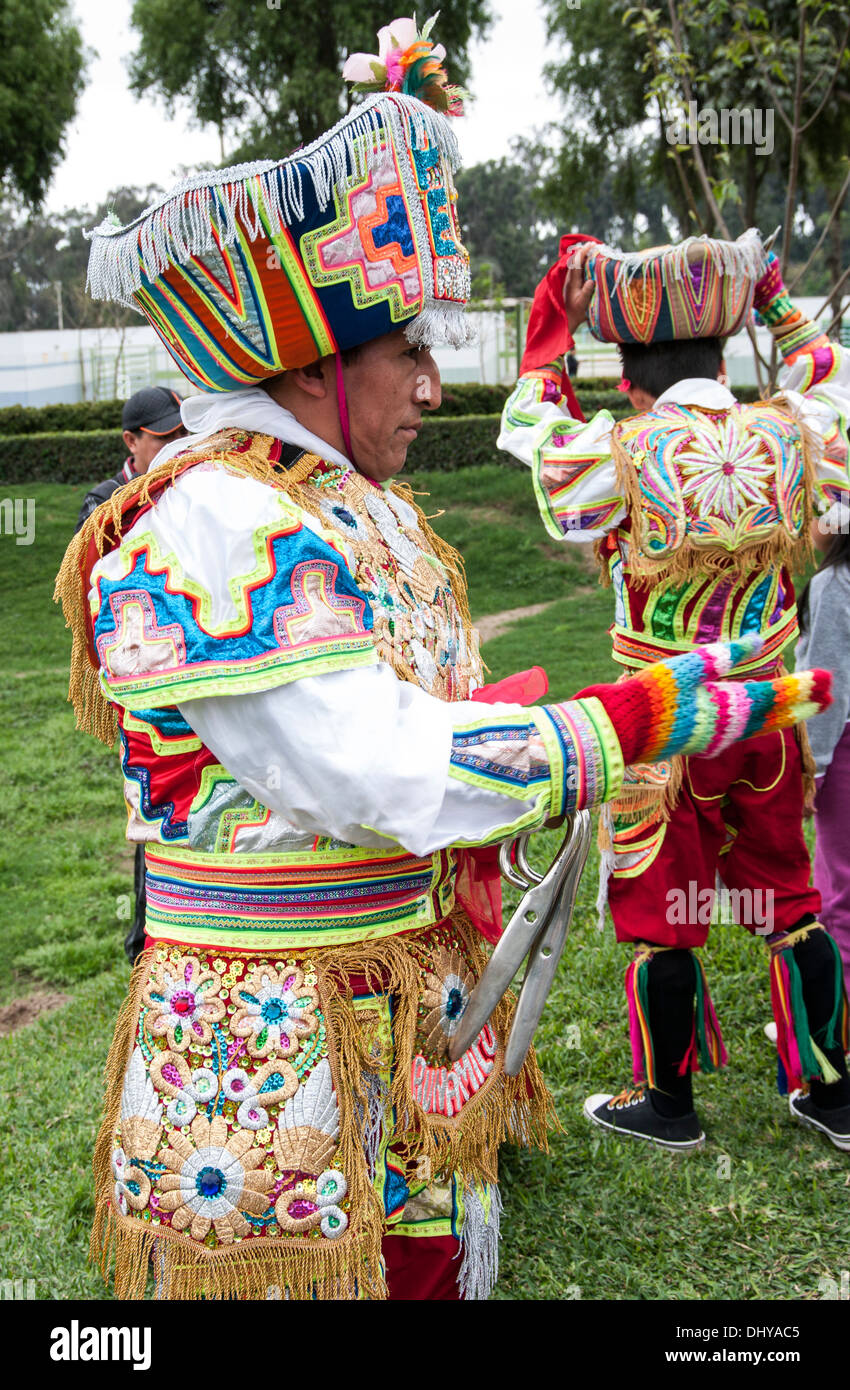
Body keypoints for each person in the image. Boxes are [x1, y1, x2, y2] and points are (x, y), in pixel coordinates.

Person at [55, 23, 832, 1300]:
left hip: (393, 993)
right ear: (309, 364)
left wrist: (557, 727)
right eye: (406, 351)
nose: (432, 382)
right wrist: (615, 726)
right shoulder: (215, 514)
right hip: (277, 1033)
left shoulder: (350, 498)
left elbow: (427, 718)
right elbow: (370, 767)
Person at [499, 234, 850, 1153]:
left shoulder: (623, 450)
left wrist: (550, 338)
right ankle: (832, 1089)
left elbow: (530, 432)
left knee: (665, 913)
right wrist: (774, 298)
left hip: (663, 722)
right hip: (769, 713)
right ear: (726, 355)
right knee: (790, 898)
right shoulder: (792, 432)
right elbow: (832, 370)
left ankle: (669, 1103)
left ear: (628, 371)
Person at [75, 386, 185, 966]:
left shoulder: (190, 489)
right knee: (155, 801)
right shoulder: (106, 504)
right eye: (163, 438)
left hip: (191, 676)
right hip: (142, 687)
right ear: (132, 441)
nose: (174, 447)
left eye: (180, 435)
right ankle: (147, 941)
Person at [797, 500, 850, 995]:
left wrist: (814, 769)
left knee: (839, 889)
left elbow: (826, 686)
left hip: (843, 748)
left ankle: (841, 1022)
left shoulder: (835, 585)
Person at [75, 386, 185, 529]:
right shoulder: (103, 502)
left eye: (183, 432)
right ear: (131, 441)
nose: (179, 444)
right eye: (165, 436)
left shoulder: (198, 479)